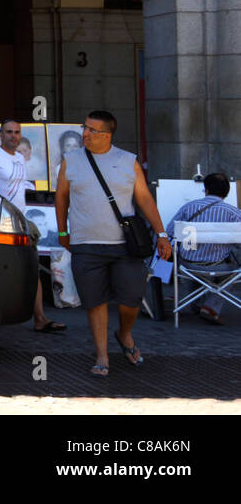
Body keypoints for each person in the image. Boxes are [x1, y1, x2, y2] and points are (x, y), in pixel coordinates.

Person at [56, 110, 171, 376]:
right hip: (85, 243)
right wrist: (63, 232)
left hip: (124, 246)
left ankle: (124, 333)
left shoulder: (127, 161)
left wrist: (162, 234)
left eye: (91, 130)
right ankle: (102, 355)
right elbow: (61, 198)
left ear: (106, 135)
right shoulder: (70, 161)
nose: (85, 133)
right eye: (84, 128)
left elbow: (144, 199)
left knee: (131, 299)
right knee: (95, 302)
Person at [0, 120, 65, 333]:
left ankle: (40, 318)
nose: (13, 136)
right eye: (9, 132)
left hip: (22, 221)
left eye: (17, 132)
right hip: (1, 222)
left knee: (31, 268)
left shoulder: (19, 158)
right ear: (1, 135)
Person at [165, 172, 241, 324]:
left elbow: (170, 232)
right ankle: (211, 306)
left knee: (191, 257)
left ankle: (194, 303)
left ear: (206, 190)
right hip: (219, 267)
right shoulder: (234, 213)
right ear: (227, 192)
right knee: (234, 269)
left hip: (188, 266)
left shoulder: (189, 207)